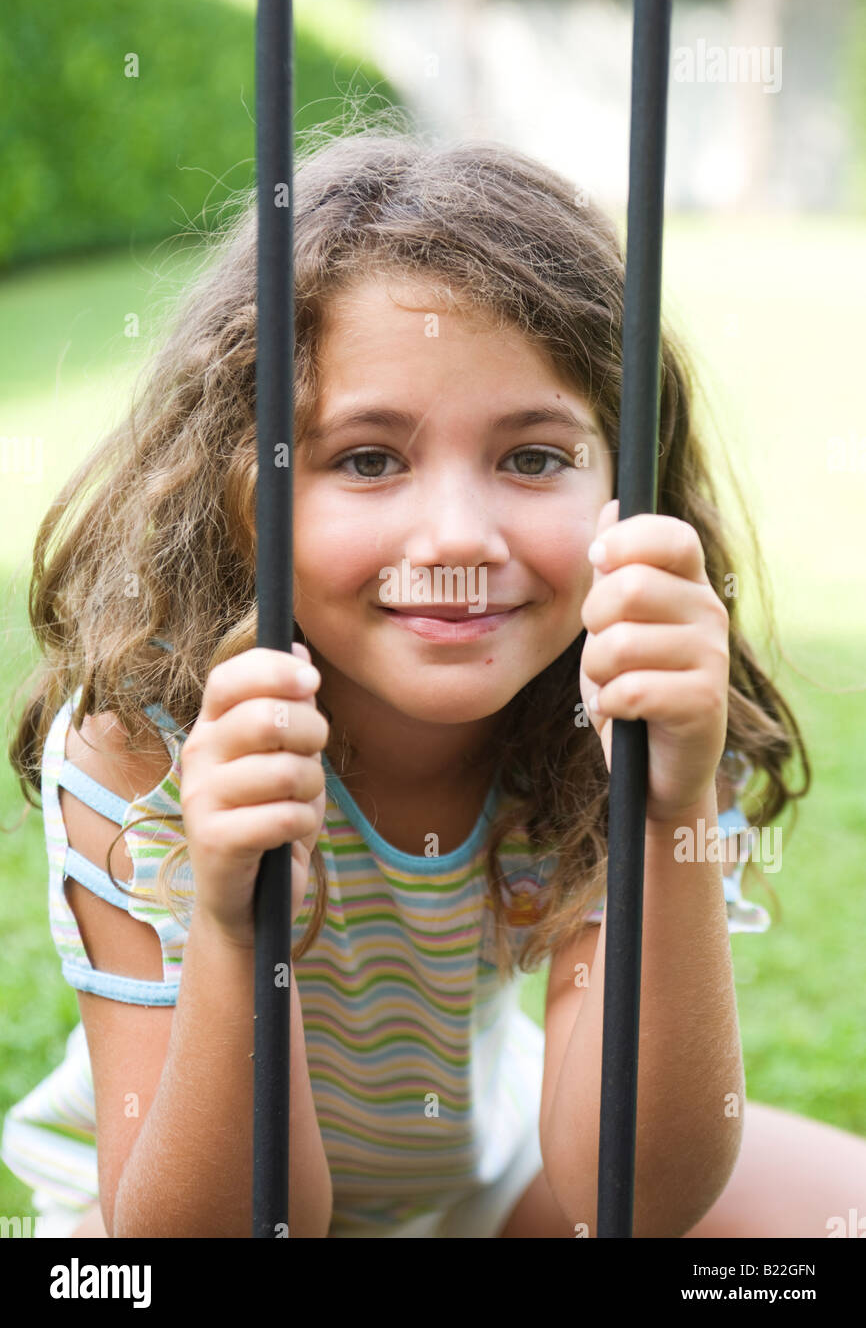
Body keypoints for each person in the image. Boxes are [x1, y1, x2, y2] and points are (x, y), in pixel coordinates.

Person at [3, 125, 865, 1238]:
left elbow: (632, 1203)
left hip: (481, 1185)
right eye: (367, 458)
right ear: (238, 491)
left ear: (627, 477)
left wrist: (666, 807)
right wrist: (227, 925)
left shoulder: (633, 694)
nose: (457, 536)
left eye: (532, 457)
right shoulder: (144, 740)